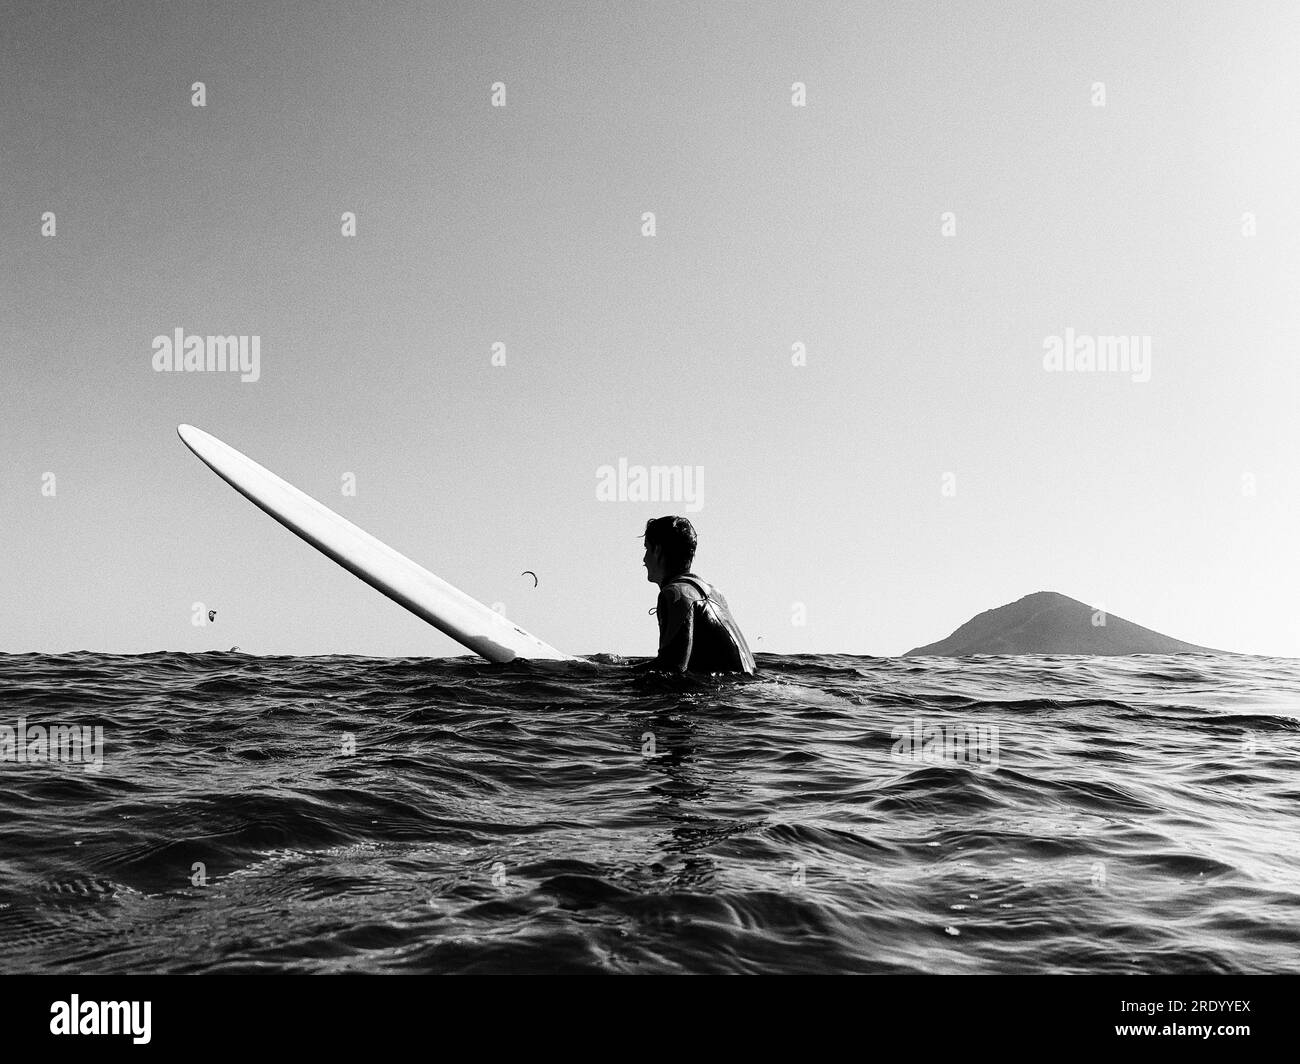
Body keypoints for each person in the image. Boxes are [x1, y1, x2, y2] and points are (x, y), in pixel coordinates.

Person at [637, 516, 756, 675]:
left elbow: (671, 671)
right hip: (749, 689)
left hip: (727, 694)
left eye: (646, 549)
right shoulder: (714, 593)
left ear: (657, 550)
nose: (644, 559)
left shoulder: (675, 594)